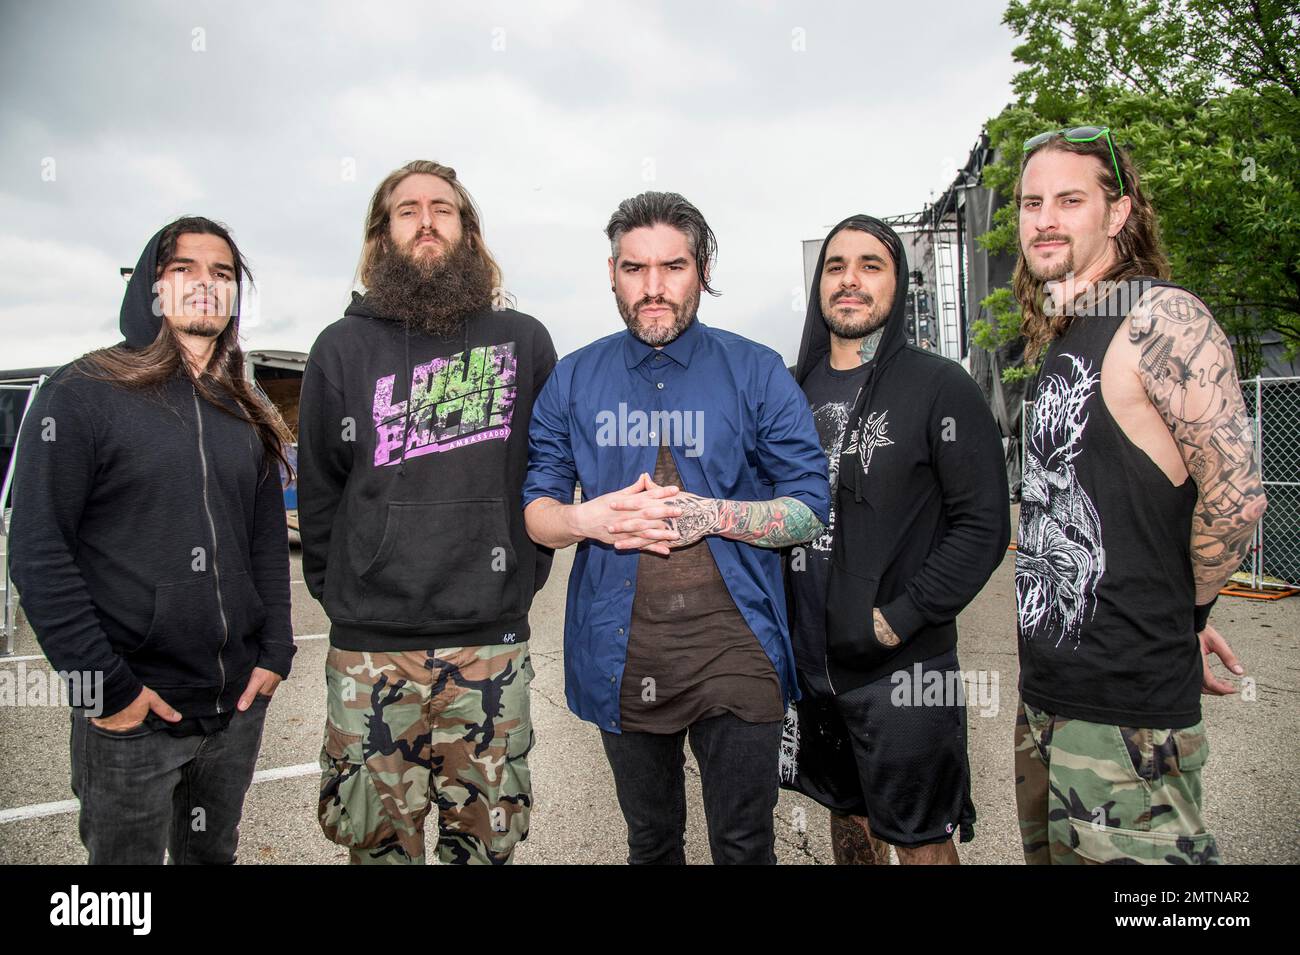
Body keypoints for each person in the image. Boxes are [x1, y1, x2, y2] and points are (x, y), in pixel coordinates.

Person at [522, 191, 829, 864]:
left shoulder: (756, 370)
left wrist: (712, 515)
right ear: (612, 273)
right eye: (634, 269)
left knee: (745, 844)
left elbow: (810, 505)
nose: (653, 288)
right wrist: (585, 517)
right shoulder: (573, 379)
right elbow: (537, 515)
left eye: (673, 266)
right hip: (623, 656)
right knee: (652, 842)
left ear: (703, 267)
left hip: (738, 652)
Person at [1010, 126, 1267, 864]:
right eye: (1032, 202)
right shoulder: (1065, 334)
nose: (1045, 219)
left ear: (1117, 214)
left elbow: (1240, 496)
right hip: (1047, 701)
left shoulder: (1159, 317)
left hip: (1127, 720)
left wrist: (1188, 614)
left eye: (1070, 199)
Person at [10, 216, 295, 864]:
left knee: (210, 856)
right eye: (184, 268)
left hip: (233, 710)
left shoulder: (241, 408)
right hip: (132, 714)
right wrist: (106, 690)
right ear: (151, 288)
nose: (205, 283)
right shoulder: (82, 393)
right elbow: (37, 551)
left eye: (222, 273)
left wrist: (275, 651)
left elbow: (263, 545)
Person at [298, 160, 556, 865]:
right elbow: (319, 492)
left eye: (442, 208)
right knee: (378, 847)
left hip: (491, 645)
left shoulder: (524, 341)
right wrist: (350, 592)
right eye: (406, 209)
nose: (426, 220)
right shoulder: (339, 348)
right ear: (381, 234)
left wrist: (515, 578)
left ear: (467, 230)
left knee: (486, 844)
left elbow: (546, 476)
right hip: (372, 652)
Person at [782, 214, 1009, 864]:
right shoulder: (788, 391)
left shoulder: (940, 386)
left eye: (870, 265)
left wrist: (896, 619)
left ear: (898, 284)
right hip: (810, 669)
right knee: (846, 817)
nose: (850, 279)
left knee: (920, 837)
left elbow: (983, 525)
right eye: (835, 265)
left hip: (902, 670)